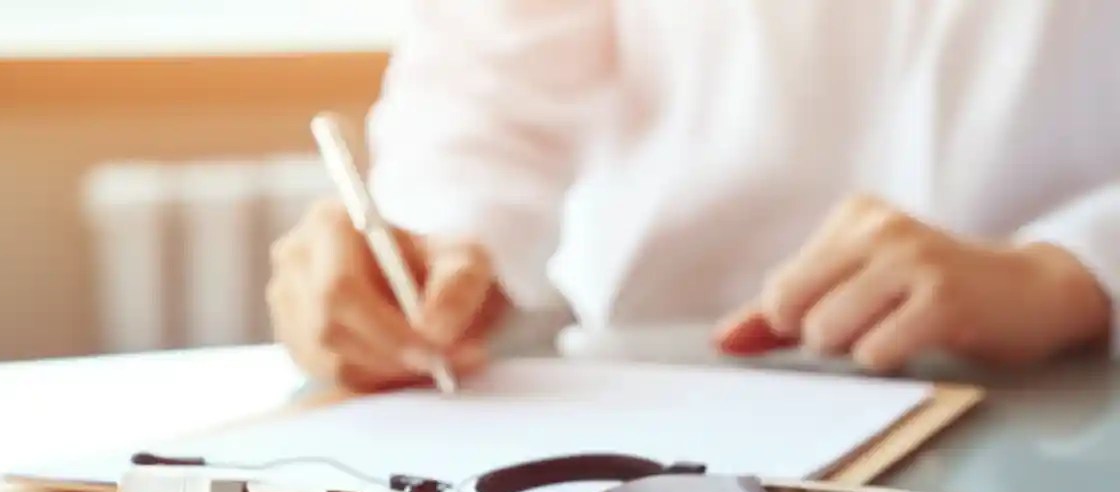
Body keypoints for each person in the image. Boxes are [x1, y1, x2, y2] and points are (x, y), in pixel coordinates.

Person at [268, 1, 1119, 390]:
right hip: (644, 396)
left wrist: (1074, 270)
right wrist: (429, 252)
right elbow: (483, 94)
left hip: (1056, 396)